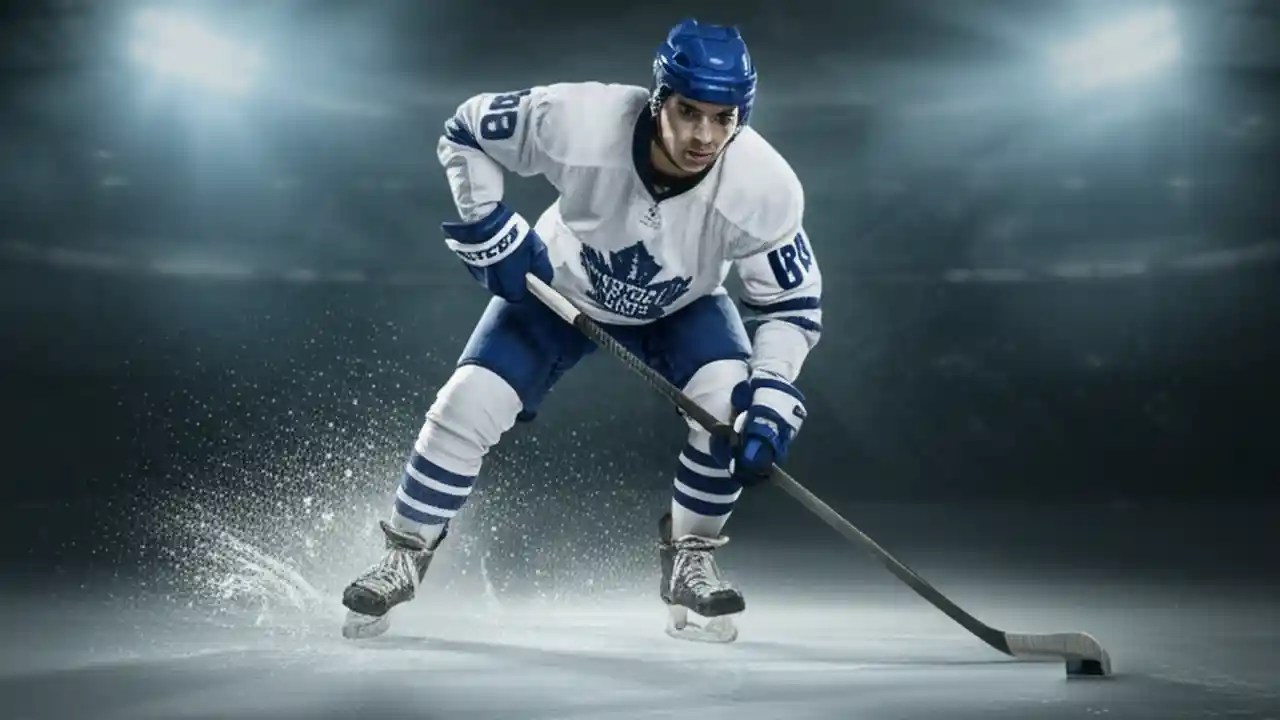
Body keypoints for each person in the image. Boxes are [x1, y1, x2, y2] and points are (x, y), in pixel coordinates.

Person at [341, 17, 822, 643]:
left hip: (685, 308)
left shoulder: (766, 187)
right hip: (560, 288)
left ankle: (691, 556)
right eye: (689, 112)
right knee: (467, 405)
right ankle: (404, 550)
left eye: (724, 117)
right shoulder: (579, 117)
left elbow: (790, 306)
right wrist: (486, 221)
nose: (705, 134)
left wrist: (773, 392)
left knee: (729, 410)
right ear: (658, 98)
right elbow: (466, 130)